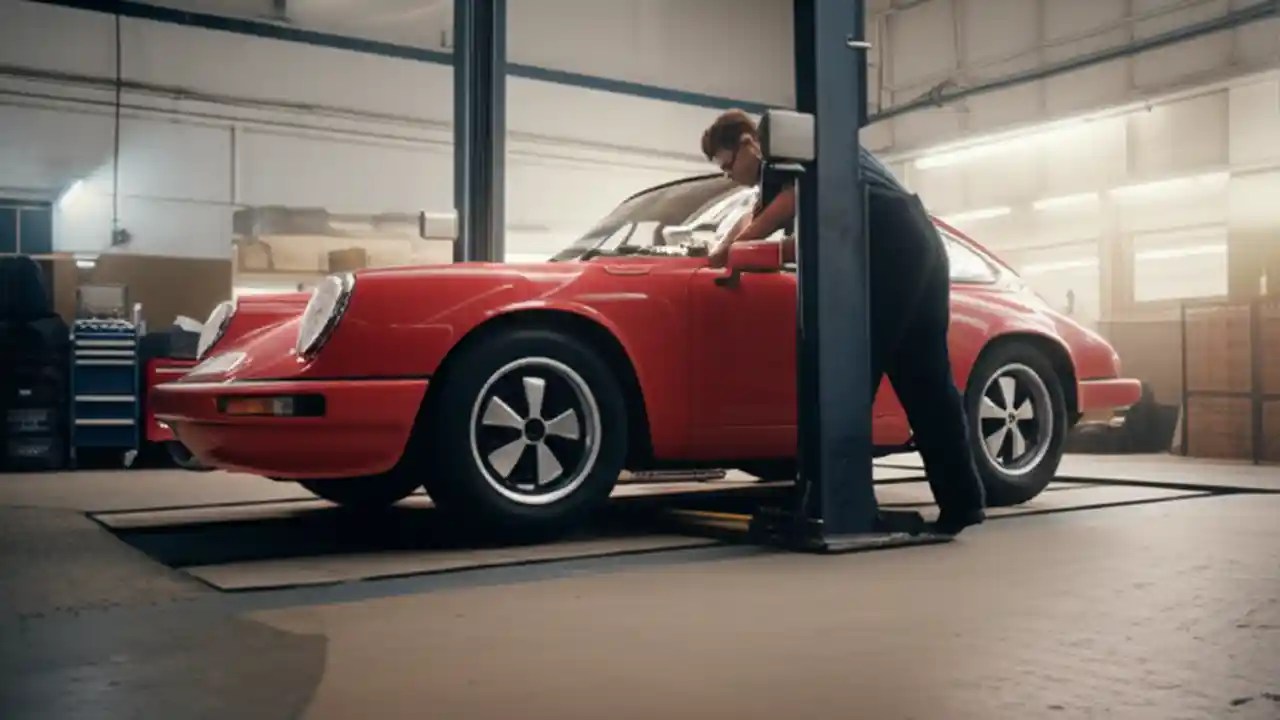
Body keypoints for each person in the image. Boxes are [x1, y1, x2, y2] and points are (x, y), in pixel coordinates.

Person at [699, 109, 986, 535]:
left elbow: (777, 211)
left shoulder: (782, 150)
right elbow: (760, 215)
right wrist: (729, 244)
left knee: (847, 380)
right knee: (925, 381)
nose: (727, 175)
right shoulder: (789, 158)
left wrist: (727, 253)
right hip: (918, 241)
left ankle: (836, 503)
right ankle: (963, 502)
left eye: (726, 164)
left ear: (747, 144)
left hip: (886, 244)